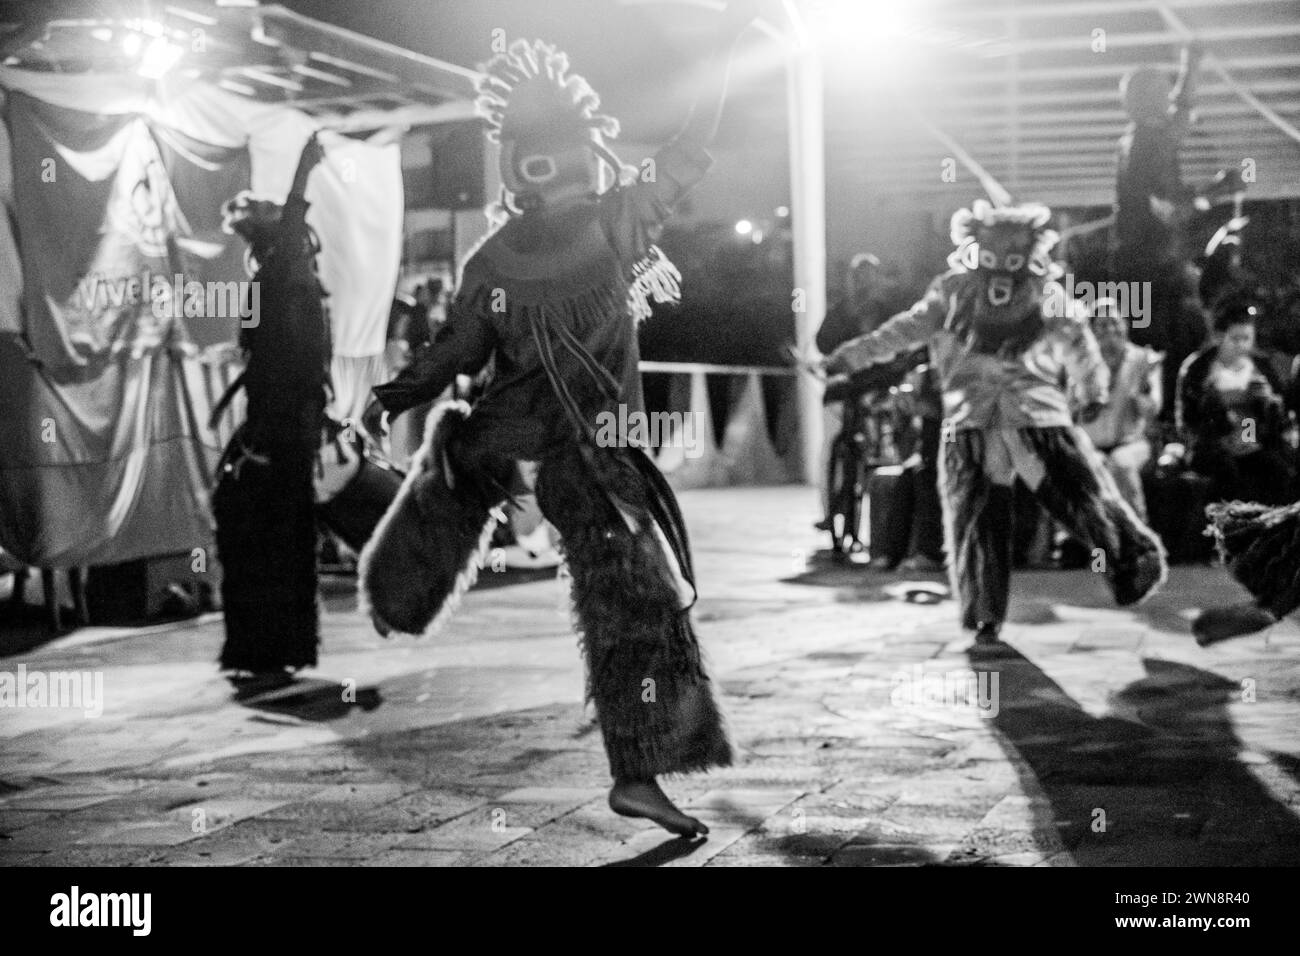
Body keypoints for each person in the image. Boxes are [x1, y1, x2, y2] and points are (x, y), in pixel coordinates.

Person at [358, 3, 760, 838]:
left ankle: (401, 591)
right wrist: (401, 392)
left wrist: (403, 392)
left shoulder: (546, 243)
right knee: (635, 602)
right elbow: (689, 149)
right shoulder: (585, 233)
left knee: (626, 593)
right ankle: (638, 769)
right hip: (572, 446)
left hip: (556, 444)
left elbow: (453, 354)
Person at [825, 200, 1168, 649]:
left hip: (1032, 419)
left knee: (1079, 498)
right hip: (978, 424)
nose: (1003, 268)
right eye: (995, 253)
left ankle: (1131, 561)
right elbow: (901, 331)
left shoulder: (1041, 292)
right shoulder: (953, 293)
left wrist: (1093, 390)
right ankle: (986, 611)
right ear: (976, 247)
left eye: (1013, 255)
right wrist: (848, 358)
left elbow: (1079, 340)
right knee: (983, 520)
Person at [212, 134, 329, 682]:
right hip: (285, 424)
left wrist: (304, 166)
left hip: (279, 426)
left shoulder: (282, 274)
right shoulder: (287, 281)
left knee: (263, 531)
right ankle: (274, 643)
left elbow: (290, 219)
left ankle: (264, 643)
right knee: (278, 532)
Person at [1113, 43, 1207, 416]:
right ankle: (1156, 426)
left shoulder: (1144, 139)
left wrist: (1192, 65)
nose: (1170, 99)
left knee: (1154, 351)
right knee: (1158, 350)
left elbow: (1181, 115)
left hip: (1143, 270)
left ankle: (1154, 427)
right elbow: (1170, 211)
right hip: (1145, 271)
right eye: (1163, 93)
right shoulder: (1144, 145)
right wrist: (1216, 190)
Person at [1175, 292, 1295, 507]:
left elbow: (1280, 417)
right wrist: (1211, 402)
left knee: (1275, 469)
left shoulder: (1261, 367)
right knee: (1228, 474)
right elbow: (1187, 418)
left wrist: (1268, 401)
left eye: (1247, 339)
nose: (1241, 346)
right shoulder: (1199, 368)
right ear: (1220, 336)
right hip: (1214, 437)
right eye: (1235, 339)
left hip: (1251, 433)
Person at [1079, 298, 1163, 521]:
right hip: (1092, 445)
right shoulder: (1081, 363)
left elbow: (1151, 411)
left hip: (1132, 444)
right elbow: (1074, 412)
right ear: (1092, 330)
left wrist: (1143, 386)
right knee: (1091, 465)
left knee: (1121, 463)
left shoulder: (1144, 360)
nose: (1110, 330)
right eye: (1102, 325)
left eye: (1115, 323)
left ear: (1125, 325)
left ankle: (1139, 538)